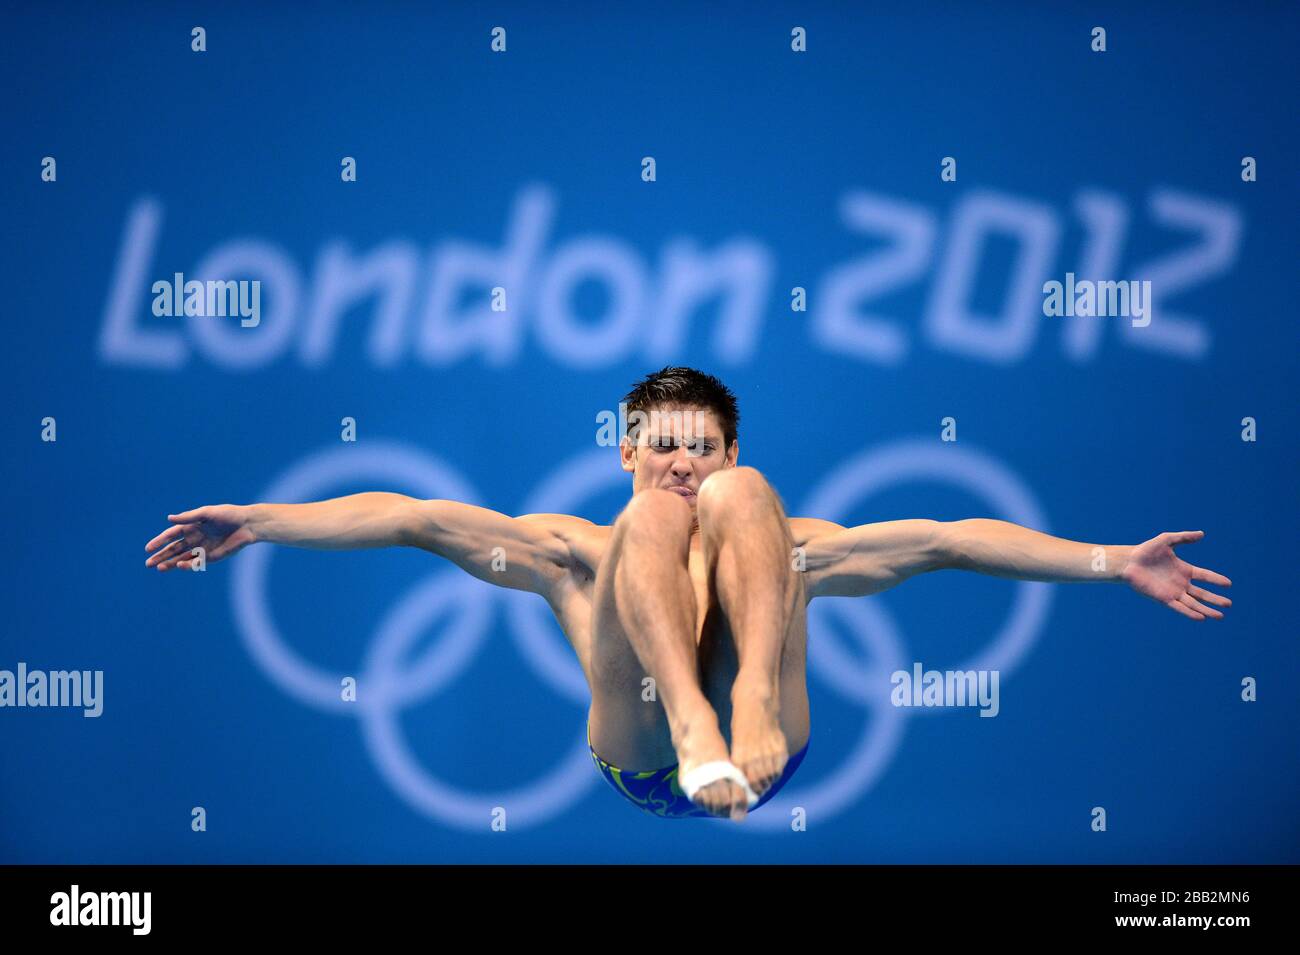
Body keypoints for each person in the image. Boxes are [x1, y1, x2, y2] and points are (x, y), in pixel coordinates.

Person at [144, 366, 1233, 822]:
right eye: (660, 447)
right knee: (649, 534)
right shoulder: (582, 540)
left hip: (770, 737)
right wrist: (261, 520)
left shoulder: (771, 525)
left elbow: (947, 539)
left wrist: (1111, 559)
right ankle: (697, 709)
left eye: (700, 448)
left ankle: (742, 694)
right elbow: (419, 517)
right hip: (647, 746)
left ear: (724, 442)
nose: (679, 464)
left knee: (754, 510)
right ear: (624, 449)